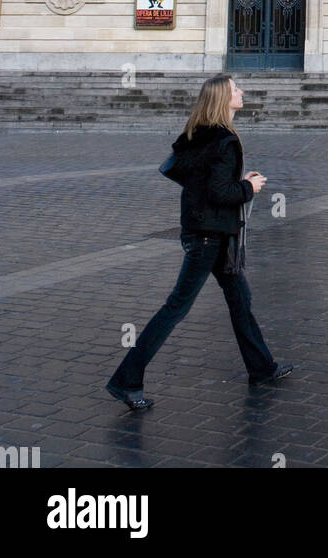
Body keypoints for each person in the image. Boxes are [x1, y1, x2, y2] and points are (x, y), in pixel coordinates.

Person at [105, 75, 292, 411]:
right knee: (176, 307)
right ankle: (126, 379)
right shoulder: (225, 141)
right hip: (210, 236)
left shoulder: (196, 133)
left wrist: (210, 187)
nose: (242, 92)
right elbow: (220, 192)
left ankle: (261, 367)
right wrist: (249, 187)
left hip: (207, 231)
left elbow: (180, 171)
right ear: (224, 98)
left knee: (240, 300)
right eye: (236, 89)